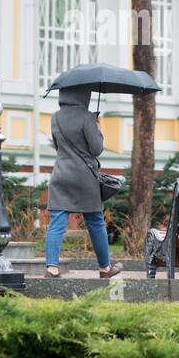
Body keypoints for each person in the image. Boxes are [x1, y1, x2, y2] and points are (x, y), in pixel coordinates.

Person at [45, 85, 122, 278]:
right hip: (84, 177)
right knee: (95, 221)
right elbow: (96, 149)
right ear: (83, 95)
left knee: (57, 222)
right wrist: (97, 127)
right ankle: (105, 268)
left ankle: (51, 268)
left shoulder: (55, 117)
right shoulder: (88, 117)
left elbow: (58, 146)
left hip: (61, 174)